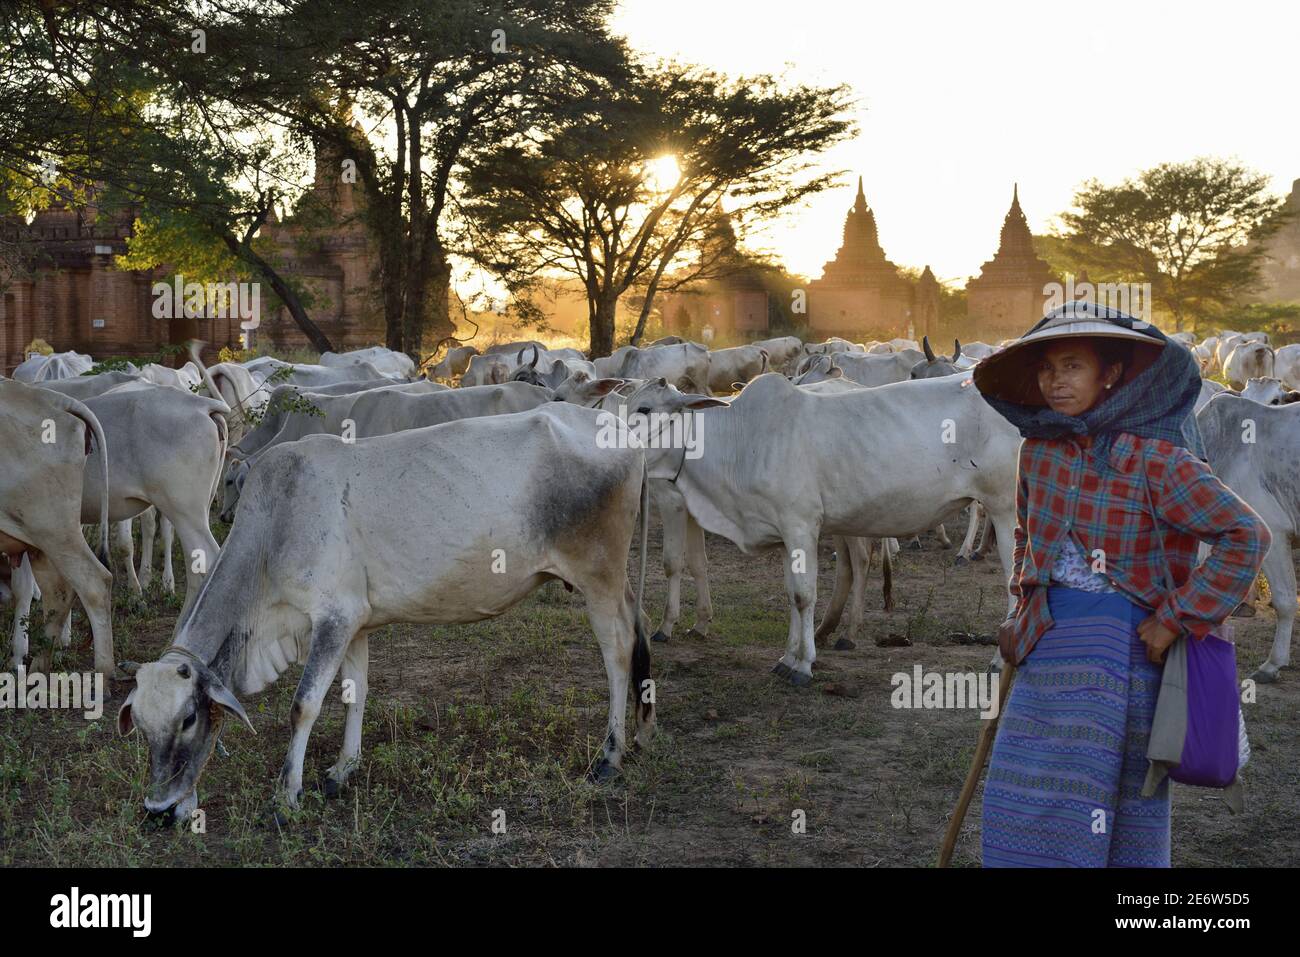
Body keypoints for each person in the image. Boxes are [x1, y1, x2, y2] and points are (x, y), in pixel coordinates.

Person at [972, 300, 1271, 868]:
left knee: (1121, 806)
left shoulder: (1157, 459)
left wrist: (1176, 618)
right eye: (1045, 369)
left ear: (1110, 374)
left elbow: (1246, 536)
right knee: (1026, 797)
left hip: (1129, 658)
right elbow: (1027, 542)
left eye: (1071, 366)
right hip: (1047, 650)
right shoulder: (1038, 454)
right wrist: (1019, 610)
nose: (1055, 382)